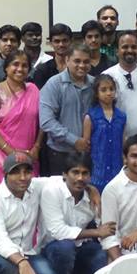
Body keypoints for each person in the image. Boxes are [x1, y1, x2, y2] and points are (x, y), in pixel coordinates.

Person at [39, 155, 112, 274]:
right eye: (75, 172)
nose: (80, 178)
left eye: (85, 173)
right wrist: (96, 232)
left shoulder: (92, 196)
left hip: (80, 247)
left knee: (101, 254)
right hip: (52, 248)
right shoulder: (52, 190)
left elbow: (103, 227)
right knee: (64, 248)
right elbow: (58, 231)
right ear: (65, 175)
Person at [0, 50, 43, 180]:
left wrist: (37, 147)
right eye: (15, 64)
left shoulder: (33, 90)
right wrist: (11, 152)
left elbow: (43, 122)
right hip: (0, 154)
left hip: (29, 155)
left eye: (24, 65)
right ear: (6, 67)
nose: (20, 69)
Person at [39, 46, 94, 176]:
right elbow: (46, 121)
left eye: (86, 62)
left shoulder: (95, 84)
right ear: (67, 60)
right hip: (60, 153)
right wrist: (74, 140)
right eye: (77, 61)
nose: (82, 65)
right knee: (61, 188)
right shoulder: (54, 84)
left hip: (90, 153)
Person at [103, 31, 137, 139]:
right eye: (125, 47)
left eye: (134, 47)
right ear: (117, 51)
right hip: (116, 139)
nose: (130, 50)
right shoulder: (107, 76)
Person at [83, 74, 126, 191]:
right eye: (103, 90)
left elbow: (123, 143)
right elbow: (85, 147)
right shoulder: (91, 116)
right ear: (97, 93)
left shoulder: (121, 116)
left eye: (111, 89)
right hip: (97, 171)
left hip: (116, 170)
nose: (108, 93)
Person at [33, 23, 73, 89]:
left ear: (71, 41)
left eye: (65, 40)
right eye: (57, 41)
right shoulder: (42, 71)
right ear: (51, 43)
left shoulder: (79, 67)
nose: (61, 44)